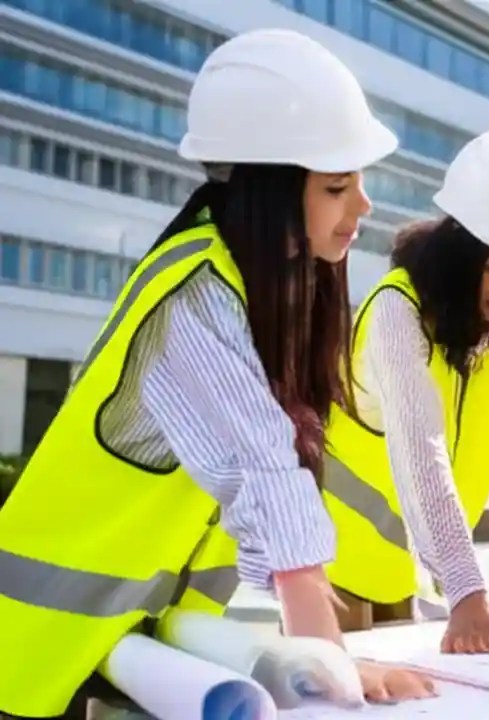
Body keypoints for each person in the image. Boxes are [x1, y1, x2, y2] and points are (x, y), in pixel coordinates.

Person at [0, 29, 435, 717]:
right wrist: (335, 669)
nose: (363, 206)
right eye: (336, 185)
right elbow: (264, 471)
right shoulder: (194, 298)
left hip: (113, 650)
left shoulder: (249, 287)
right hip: (33, 651)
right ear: (270, 191)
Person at [323, 129, 489, 655]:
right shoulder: (396, 309)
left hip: (411, 570)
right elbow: (420, 449)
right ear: (460, 253)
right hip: (331, 560)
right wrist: (466, 590)